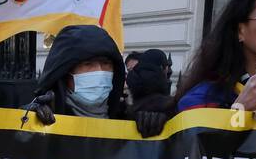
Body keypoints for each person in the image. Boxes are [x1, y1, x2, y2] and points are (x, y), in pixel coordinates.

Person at [27, 24, 172, 137]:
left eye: (106, 64)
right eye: (87, 64)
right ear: (65, 72)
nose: (99, 71)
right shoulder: (42, 117)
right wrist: (25, 125)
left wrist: (154, 126)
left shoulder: (127, 119)